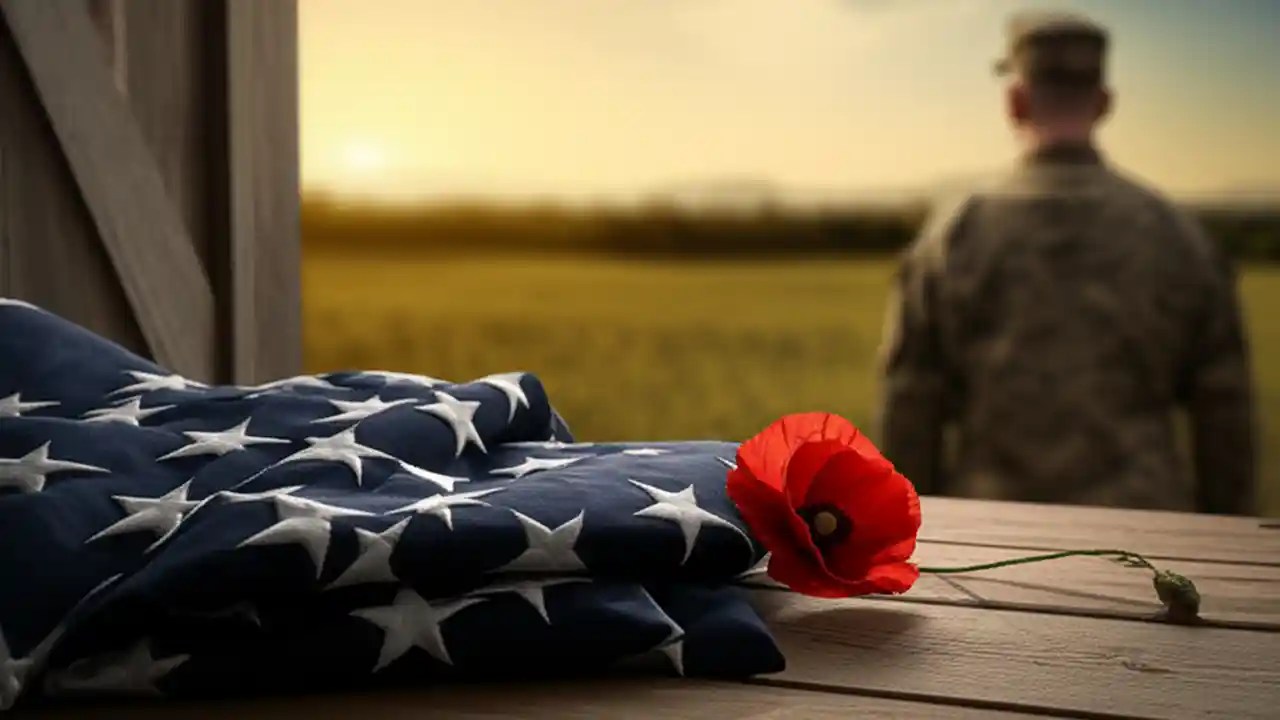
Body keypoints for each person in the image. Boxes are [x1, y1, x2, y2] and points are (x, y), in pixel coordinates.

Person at [874, 10, 1258, 514]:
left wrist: (917, 544)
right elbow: (1225, 417)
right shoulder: (1178, 235)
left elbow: (909, 410)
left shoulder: (954, 234)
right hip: (1152, 544)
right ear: (1104, 103)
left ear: (1015, 101)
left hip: (992, 542)